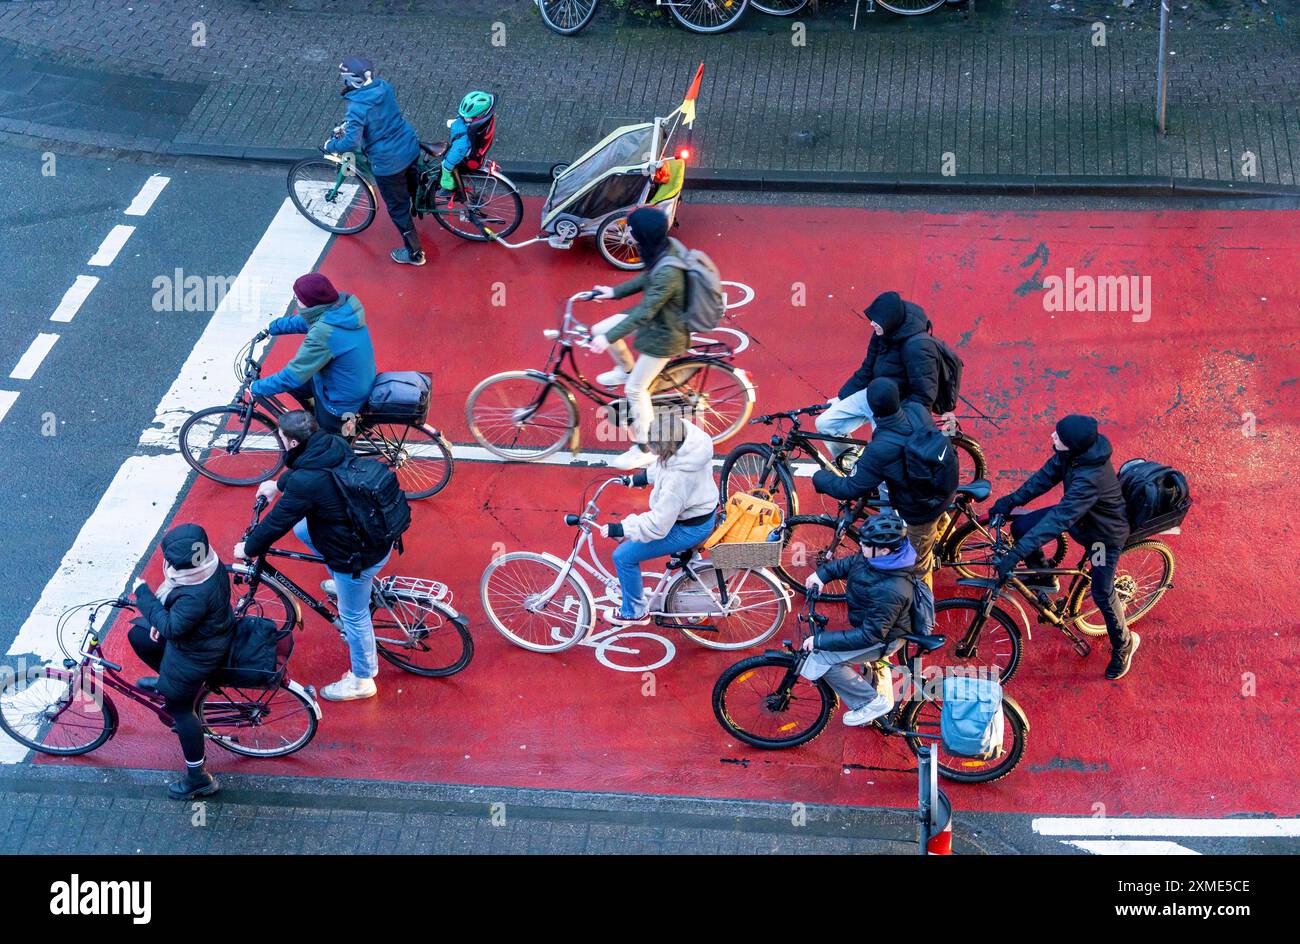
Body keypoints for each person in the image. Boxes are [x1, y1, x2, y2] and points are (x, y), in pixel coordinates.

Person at [235, 411, 392, 701]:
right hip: (374, 531)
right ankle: (346, 584)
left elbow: (277, 521)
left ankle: (362, 679)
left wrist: (248, 548)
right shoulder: (331, 443)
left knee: (354, 615)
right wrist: (278, 485)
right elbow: (308, 467)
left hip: (356, 555)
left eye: (281, 437)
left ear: (292, 443)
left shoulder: (307, 482)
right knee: (304, 529)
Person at [989, 414, 1139, 680]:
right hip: (1080, 518)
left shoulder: (1089, 478)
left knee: (1102, 592)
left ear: (1073, 445)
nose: (1052, 437)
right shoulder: (1073, 455)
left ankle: (1125, 644)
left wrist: (1015, 555)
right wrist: (1010, 501)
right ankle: (1044, 576)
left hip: (1102, 537)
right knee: (1021, 527)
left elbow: (1059, 520)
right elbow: (1044, 478)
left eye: (1058, 436)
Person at [811, 377, 956, 588]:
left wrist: (819, 477)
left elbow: (850, 488)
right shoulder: (917, 408)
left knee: (917, 570)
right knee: (933, 518)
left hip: (920, 509)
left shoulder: (881, 448)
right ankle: (943, 527)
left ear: (871, 409)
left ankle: (924, 617)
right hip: (940, 485)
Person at [129, 523, 236, 800]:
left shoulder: (193, 594)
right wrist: (159, 616)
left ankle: (198, 778)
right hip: (209, 635)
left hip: (196, 653)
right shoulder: (210, 565)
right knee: (139, 635)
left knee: (180, 710)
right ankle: (169, 683)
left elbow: (173, 628)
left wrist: (143, 594)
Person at [588, 206, 690, 470]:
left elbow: (645, 313)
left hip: (666, 333)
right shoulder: (665, 249)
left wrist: (609, 338)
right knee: (599, 329)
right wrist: (613, 293)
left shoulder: (668, 272)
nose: (627, 232)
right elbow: (648, 279)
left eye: (630, 229)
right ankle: (626, 369)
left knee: (636, 389)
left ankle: (645, 448)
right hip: (660, 317)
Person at [600, 414, 718, 623]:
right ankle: (692, 577)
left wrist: (622, 528)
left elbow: (658, 525)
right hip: (703, 514)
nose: (649, 449)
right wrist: (641, 478)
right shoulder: (690, 443)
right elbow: (667, 465)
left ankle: (634, 612)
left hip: (687, 528)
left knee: (623, 557)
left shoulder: (677, 480)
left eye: (653, 446)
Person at [801, 512, 916, 726]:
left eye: (865, 544)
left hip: (882, 638)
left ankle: (870, 702)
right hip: (876, 627)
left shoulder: (891, 589)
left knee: (823, 658)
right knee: (869, 663)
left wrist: (819, 641)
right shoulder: (879, 558)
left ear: (883, 549)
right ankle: (881, 704)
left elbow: (870, 636)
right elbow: (851, 564)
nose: (860, 547)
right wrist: (822, 575)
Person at [817, 291, 942, 462]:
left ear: (889, 322)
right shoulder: (882, 332)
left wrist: (905, 422)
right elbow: (867, 369)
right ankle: (853, 466)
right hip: (875, 394)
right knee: (826, 424)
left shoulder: (918, 346)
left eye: (876, 321)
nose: (871, 324)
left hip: (897, 407)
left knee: (882, 455)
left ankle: (880, 484)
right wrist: (841, 397)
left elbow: (924, 394)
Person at [326, 56, 426, 265]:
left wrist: (331, 146)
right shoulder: (384, 87)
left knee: (397, 209)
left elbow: (350, 144)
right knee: (411, 180)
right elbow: (379, 114)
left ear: (352, 80)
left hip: (388, 162)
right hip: (408, 143)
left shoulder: (357, 107)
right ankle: (419, 202)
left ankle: (415, 254)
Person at [249, 273, 376, 437]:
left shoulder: (323, 334)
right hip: (356, 379)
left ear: (310, 304)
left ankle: (343, 438)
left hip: (343, 398)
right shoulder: (341, 310)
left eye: (297, 298)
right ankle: (321, 415)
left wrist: (257, 387)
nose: (296, 300)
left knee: (332, 441)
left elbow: (292, 376)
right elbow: (306, 321)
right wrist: (272, 327)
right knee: (299, 387)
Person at [437, 90, 495, 195]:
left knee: (445, 166)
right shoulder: (480, 124)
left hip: (459, 153)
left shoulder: (463, 141)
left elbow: (456, 153)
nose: (464, 118)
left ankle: (447, 186)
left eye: (467, 117)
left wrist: (447, 166)